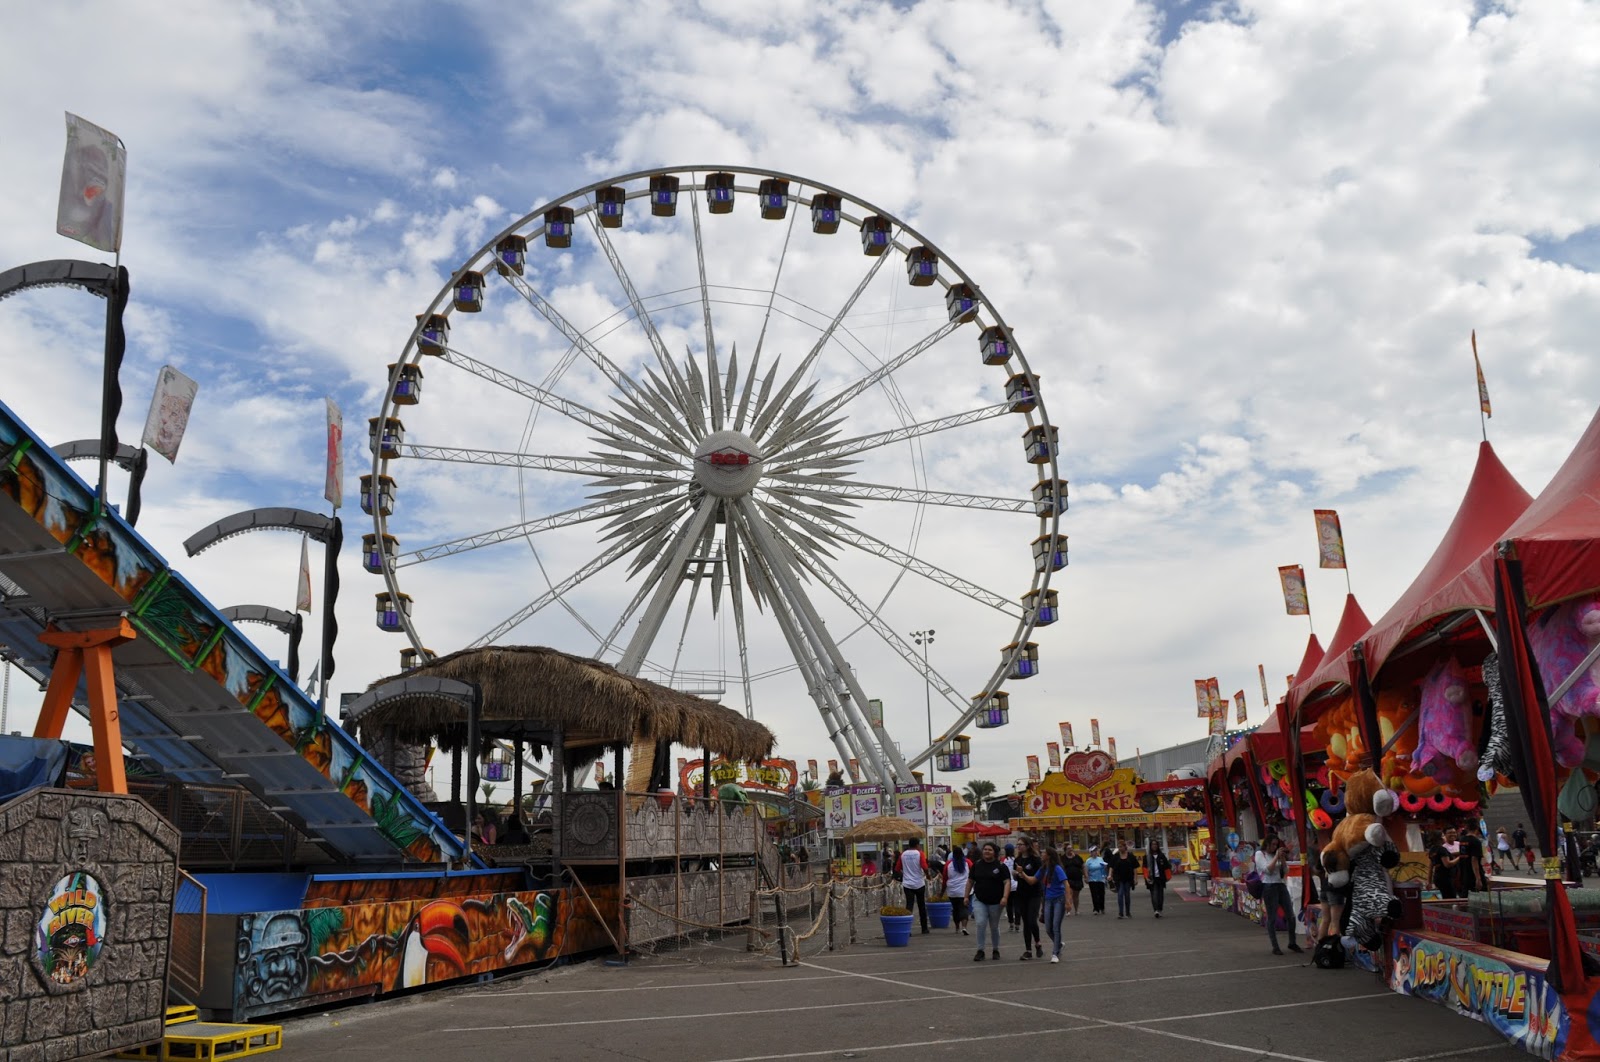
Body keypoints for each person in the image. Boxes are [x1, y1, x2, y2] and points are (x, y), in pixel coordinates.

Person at [1254, 836, 1301, 955]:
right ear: (1267, 844)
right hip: (1269, 886)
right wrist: (1275, 857)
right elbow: (1267, 870)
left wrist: (1283, 859)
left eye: (1276, 845)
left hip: (1281, 885)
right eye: (1273, 844)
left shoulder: (1277, 855)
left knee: (1290, 915)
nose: (1275, 847)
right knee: (1272, 917)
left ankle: (1292, 942)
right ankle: (1275, 946)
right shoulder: (1260, 854)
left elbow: (1285, 871)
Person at [969, 841, 1011, 961]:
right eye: (985, 849)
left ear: (995, 852)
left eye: (990, 850)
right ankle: (980, 950)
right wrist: (966, 896)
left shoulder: (1001, 866)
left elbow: (1007, 882)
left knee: (994, 926)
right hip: (979, 899)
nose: (987, 851)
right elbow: (970, 881)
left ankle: (995, 949)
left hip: (996, 902)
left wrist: (1005, 897)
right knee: (980, 923)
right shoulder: (976, 865)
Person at [1012, 839, 1043, 959]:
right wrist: (1015, 874)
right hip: (1021, 893)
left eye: (1021, 844)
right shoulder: (1017, 860)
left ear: (1027, 846)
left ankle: (1038, 943)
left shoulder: (1035, 860)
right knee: (1025, 922)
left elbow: (1037, 877)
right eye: (1018, 845)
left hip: (1034, 893)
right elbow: (1017, 877)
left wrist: (1022, 873)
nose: (1018, 847)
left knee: (1031, 920)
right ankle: (1028, 950)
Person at [1040, 846, 1068, 963]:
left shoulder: (1057, 868)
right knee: (1048, 928)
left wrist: (1068, 901)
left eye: (1043, 853)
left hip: (1058, 899)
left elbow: (1066, 883)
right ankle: (1059, 944)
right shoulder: (1043, 868)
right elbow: (1033, 879)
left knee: (1056, 927)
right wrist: (1021, 874)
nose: (1041, 854)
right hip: (1047, 900)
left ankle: (1055, 953)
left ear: (1049, 856)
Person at [899, 838, 932, 934]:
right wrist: (928, 875)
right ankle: (924, 928)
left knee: (909, 906)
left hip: (907, 884)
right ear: (917, 844)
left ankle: (907, 929)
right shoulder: (919, 853)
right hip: (919, 883)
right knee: (921, 906)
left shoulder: (903, 854)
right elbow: (925, 867)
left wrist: (905, 874)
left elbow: (897, 868)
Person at [1106, 839, 1139, 919]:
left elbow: (1135, 868)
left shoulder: (1130, 856)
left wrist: (1135, 879)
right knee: (1120, 894)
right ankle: (1121, 913)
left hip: (1128, 878)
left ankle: (1128, 912)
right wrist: (1110, 875)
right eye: (1118, 847)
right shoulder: (1116, 856)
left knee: (1127, 895)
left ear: (1125, 847)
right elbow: (1111, 866)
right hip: (1118, 878)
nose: (1119, 848)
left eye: (1121, 847)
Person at [946, 845, 971, 935]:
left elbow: (945, 878)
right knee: (964, 908)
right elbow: (973, 873)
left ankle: (957, 927)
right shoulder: (967, 862)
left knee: (955, 909)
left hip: (952, 891)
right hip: (965, 890)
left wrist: (942, 891)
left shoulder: (948, 864)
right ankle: (964, 927)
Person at [1144, 841, 1171, 918]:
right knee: (1154, 894)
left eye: (1155, 844)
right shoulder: (1147, 857)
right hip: (1152, 878)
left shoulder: (1161, 856)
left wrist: (1168, 877)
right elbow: (1145, 868)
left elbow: (1166, 866)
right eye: (1152, 844)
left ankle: (1160, 909)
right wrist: (1146, 877)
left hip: (1161, 878)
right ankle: (1156, 910)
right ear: (1150, 846)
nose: (1154, 846)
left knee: (1160, 895)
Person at [1459, 826, 1487, 893]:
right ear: (1477, 829)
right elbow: (1474, 859)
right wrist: (1478, 878)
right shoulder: (1476, 841)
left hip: (1464, 873)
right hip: (1473, 874)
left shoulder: (1462, 840)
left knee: (1466, 896)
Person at [1062, 843, 1085, 917]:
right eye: (1069, 848)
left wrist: (1086, 875)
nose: (1070, 849)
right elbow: (1060, 868)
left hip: (1077, 878)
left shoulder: (1077, 857)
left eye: (1071, 848)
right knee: (1069, 894)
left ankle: (1076, 910)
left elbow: (1083, 866)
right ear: (1065, 850)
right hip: (1067, 879)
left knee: (1076, 895)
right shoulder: (1063, 858)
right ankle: (1068, 910)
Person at [1085, 846, 1109, 915]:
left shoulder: (1100, 859)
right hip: (1092, 879)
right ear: (1091, 853)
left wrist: (1105, 868)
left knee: (1101, 894)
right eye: (1093, 851)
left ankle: (1102, 907)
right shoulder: (1088, 860)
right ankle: (1096, 909)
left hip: (1101, 878)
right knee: (1094, 894)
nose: (1095, 852)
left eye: (1096, 851)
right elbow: (1086, 870)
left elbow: (1104, 868)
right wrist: (1086, 877)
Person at [1002, 843, 1020, 931]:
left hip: (1008, 886)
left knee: (1009, 906)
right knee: (1017, 905)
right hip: (1016, 885)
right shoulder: (1016, 861)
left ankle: (1011, 923)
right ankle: (1017, 924)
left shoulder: (1004, 861)